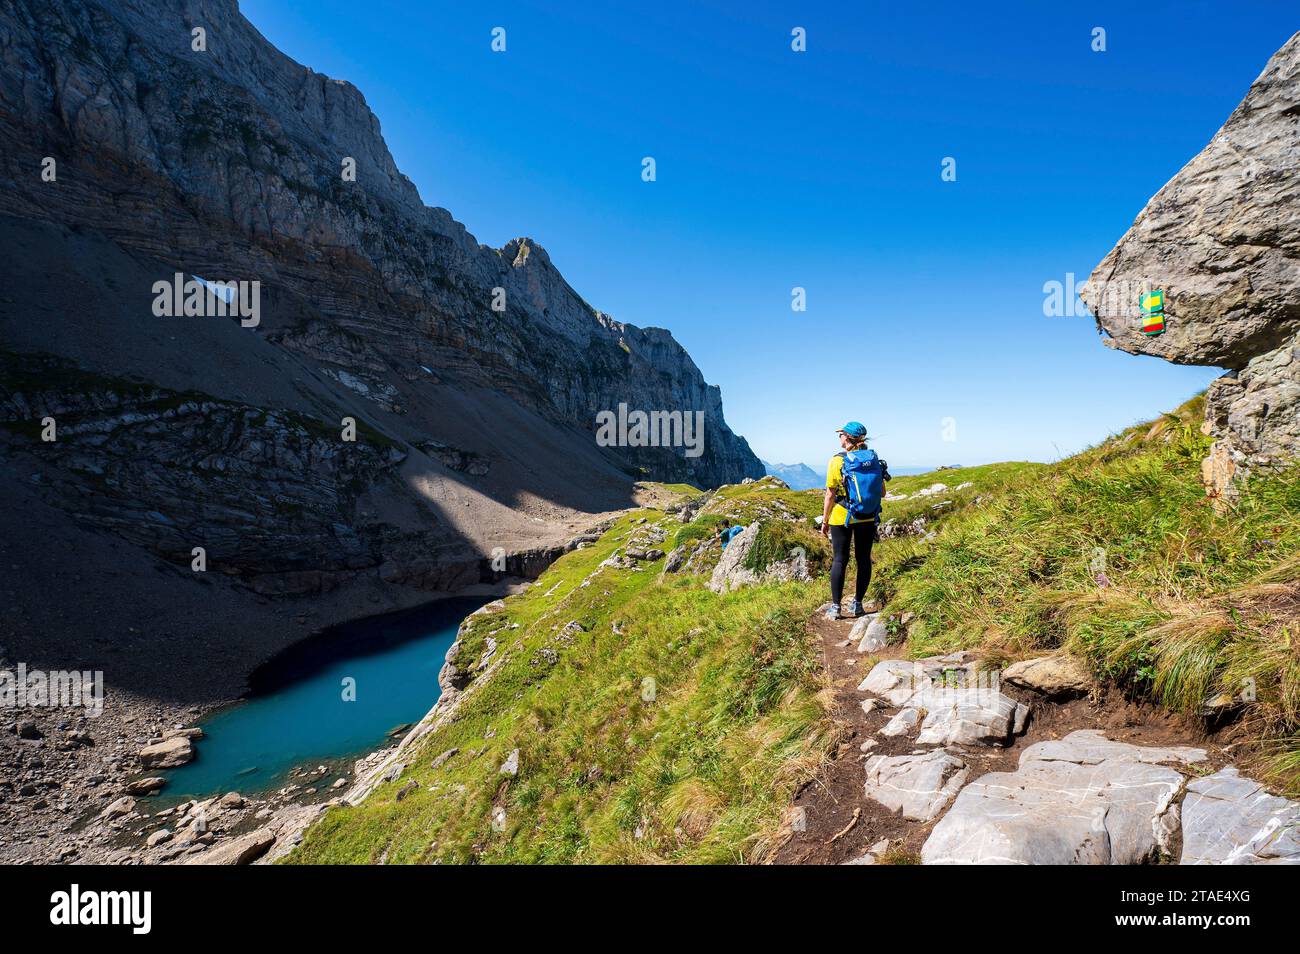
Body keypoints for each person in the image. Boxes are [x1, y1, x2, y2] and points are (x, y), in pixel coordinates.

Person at [820, 421, 888, 620]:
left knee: (840, 559)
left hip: (842, 516)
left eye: (840, 434)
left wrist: (825, 521)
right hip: (867, 515)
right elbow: (882, 492)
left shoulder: (837, 461)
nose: (839, 438)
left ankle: (835, 608)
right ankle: (858, 604)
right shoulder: (873, 459)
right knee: (863, 559)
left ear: (847, 438)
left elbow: (830, 494)